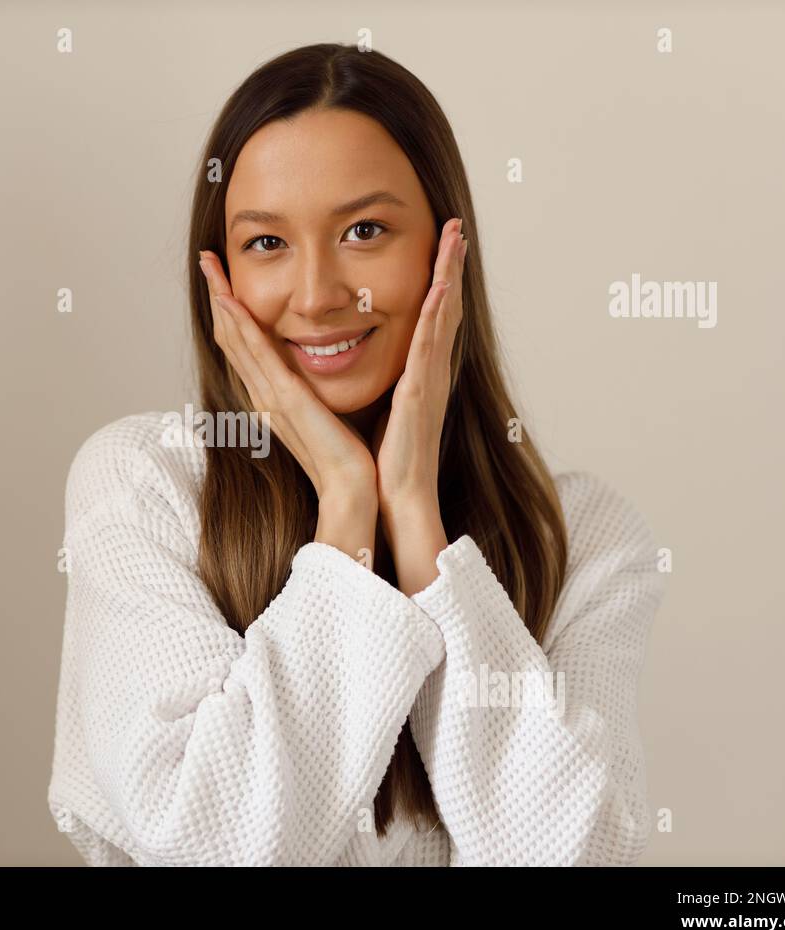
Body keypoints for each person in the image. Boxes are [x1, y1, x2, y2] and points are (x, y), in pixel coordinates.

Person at [46, 42, 668, 866]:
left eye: (364, 230)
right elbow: (213, 843)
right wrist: (347, 502)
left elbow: (574, 856)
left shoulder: (583, 535)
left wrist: (414, 514)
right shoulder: (142, 484)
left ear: (447, 248)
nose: (317, 296)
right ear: (221, 272)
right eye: (267, 244)